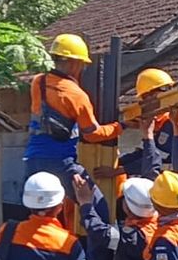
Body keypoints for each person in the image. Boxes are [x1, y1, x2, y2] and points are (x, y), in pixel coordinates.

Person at [24, 34, 121, 217]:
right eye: (82, 64)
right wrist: (119, 127)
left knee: (40, 211)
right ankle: (97, 245)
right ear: (73, 63)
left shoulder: (38, 82)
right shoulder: (76, 95)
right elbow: (92, 134)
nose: (82, 69)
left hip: (33, 159)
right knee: (99, 209)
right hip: (60, 163)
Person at [120, 69, 178, 195]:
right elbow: (143, 154)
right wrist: (117, 162)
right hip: (174, 180)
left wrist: (118, 171)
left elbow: (154, 158)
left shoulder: (171, 123)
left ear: (154, 95)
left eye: (146, 96)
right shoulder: (159, 121)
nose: (144, 101)